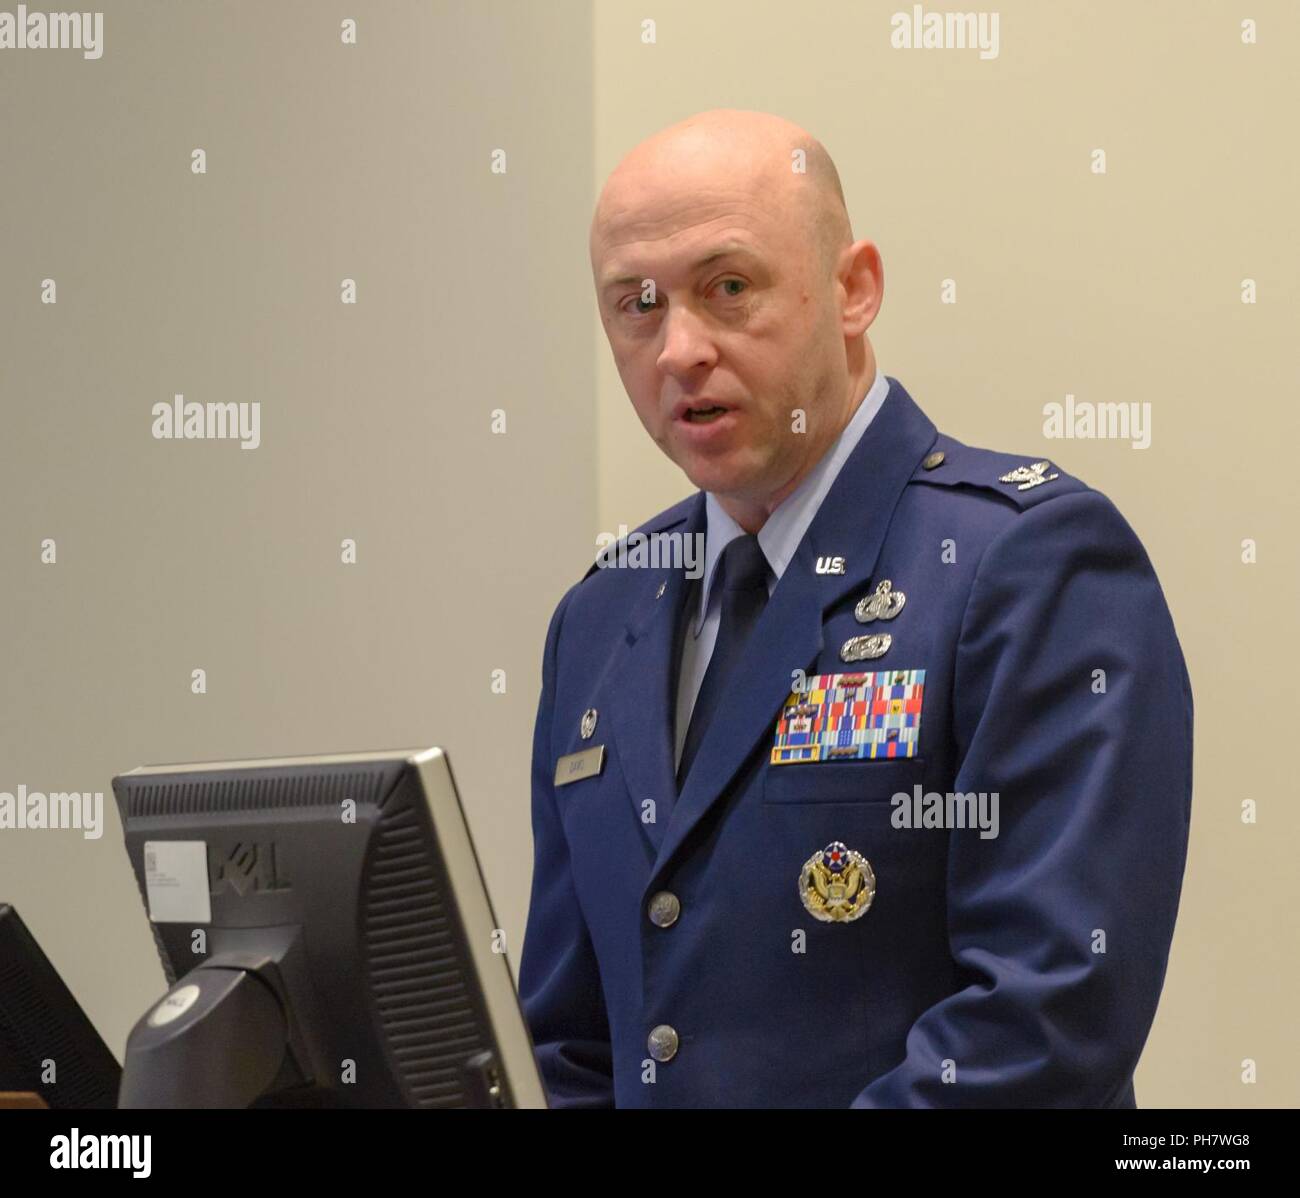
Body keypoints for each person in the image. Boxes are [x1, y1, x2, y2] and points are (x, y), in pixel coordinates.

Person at [517, 108, 1193, 1108]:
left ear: (852, 290)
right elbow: (568, 1040)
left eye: (728, 287)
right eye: (637, 305)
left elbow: (1046, 1016)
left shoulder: (1025, 562)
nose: (677, 350)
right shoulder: (599, 615)